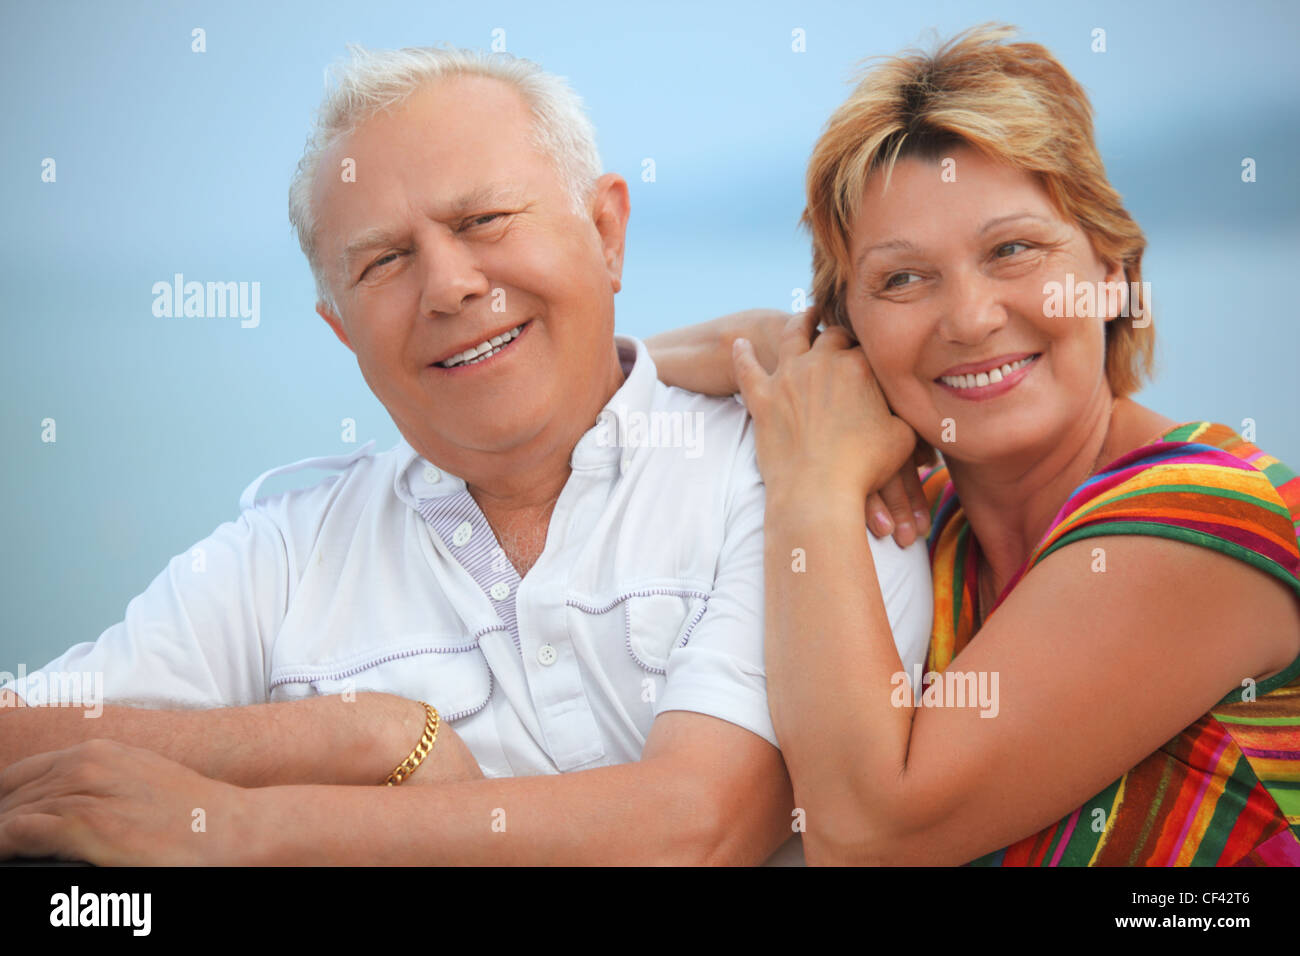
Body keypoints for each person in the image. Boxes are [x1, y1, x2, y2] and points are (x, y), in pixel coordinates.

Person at [0, 45, 934, 866]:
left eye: (484, 220)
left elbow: (693, 830)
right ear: (341, 331)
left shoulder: (792, 479)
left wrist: (240, 824)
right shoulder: (287, 551)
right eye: (382, 263)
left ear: (606, 232)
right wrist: (359, 734)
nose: (448, 285)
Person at [647, 24, 1300, 865]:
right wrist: (785, 349)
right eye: (903, 279)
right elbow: (587, 392)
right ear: (851, 329)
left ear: (1115, 275)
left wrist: (809, 483)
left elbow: (868, 833)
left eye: (1014, 250)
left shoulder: (1208, 514)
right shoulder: (934, 527)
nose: (970, 318)